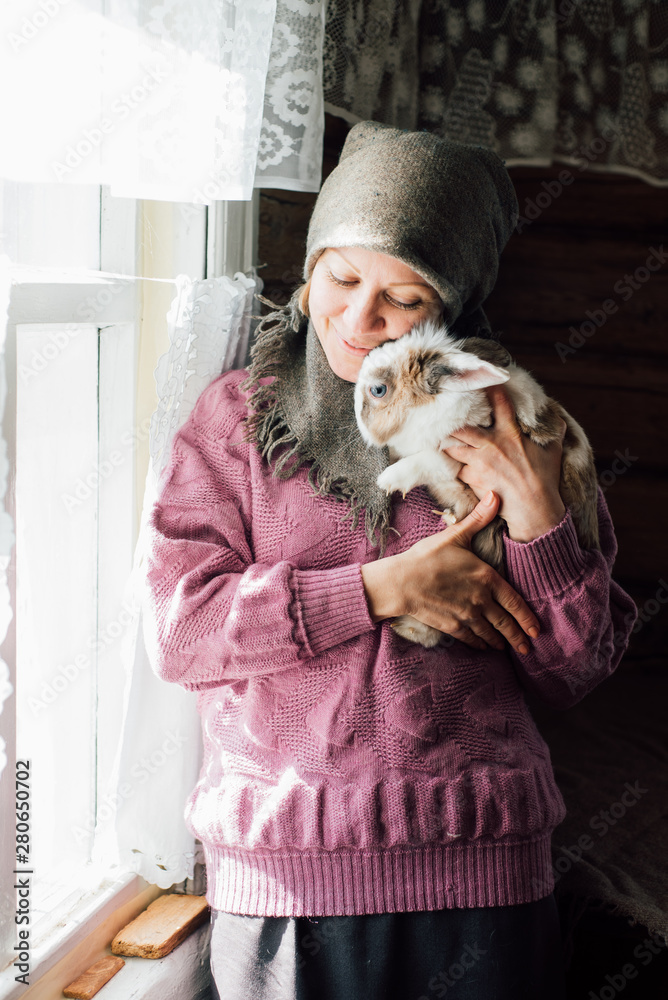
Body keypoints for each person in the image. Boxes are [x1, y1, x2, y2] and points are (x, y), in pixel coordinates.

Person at [142, 122, 637, 1000]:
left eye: (405, 300)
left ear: (449, 311)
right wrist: (378, 590)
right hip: (289, 879)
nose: (362, 322)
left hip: (486, 875)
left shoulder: (513, 419)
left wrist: (539, 514)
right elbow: (184, 631)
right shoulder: (236, 421)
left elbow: (580, 669)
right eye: (341, 277)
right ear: (308, 269)